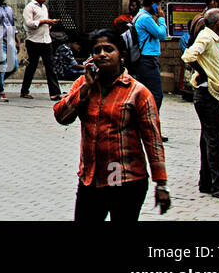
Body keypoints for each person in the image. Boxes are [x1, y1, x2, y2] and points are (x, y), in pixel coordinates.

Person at [54, 28, 170, 221]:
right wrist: (85, 89)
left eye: (108, 49)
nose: (102, 54)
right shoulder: (84, 85)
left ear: (121, 55)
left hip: (126, 181)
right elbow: (61, 116)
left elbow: (153, 141)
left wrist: (162, 183)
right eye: (97, 50)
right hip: (91, 180)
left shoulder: (138, 93)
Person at [182, 7, 219, 196]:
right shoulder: (206, 37)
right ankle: (218, 185)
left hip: (212, 93)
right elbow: (188, 56)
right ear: (218, 23)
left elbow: (209, 58)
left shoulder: (213, 39)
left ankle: (206, 181)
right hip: (207, 94)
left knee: (208, 139)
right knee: (214, 141)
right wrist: (202, 72)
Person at [129, 0, 169, 121]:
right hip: (148, 60)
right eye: (157, 5)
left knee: (144, 94)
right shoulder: (145, 18)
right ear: (153, 4)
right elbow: (162, 34)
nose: (159, 8)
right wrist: (162, 18)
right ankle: (151, 125)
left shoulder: (139, 16)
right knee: (156, 95)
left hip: (142, 59)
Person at [20, 0, 63, 100]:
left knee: (50, 67)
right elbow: (29, 23)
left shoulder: (44, 7)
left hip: (46, 40)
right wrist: (44, 21)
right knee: (32, 66)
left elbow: (44, 22)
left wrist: (49, 23)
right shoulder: (29, 7)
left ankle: (55, 93)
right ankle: (24, 90)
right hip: (34, 41)